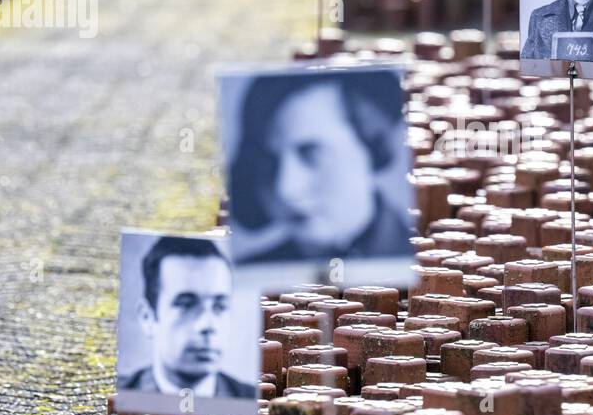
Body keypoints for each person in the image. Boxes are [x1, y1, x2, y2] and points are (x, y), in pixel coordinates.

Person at [228, 72, 411, 263]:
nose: (285, 189)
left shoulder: (428, 264)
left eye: (311, 154)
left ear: (371, 149)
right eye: (269, 161)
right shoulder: (250, 275)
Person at [117, 236, 255, 398]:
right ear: (148, 318)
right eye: (186, 304)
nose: (207, 325)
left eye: (219, 306)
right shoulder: (112, 398)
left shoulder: (254, 401)